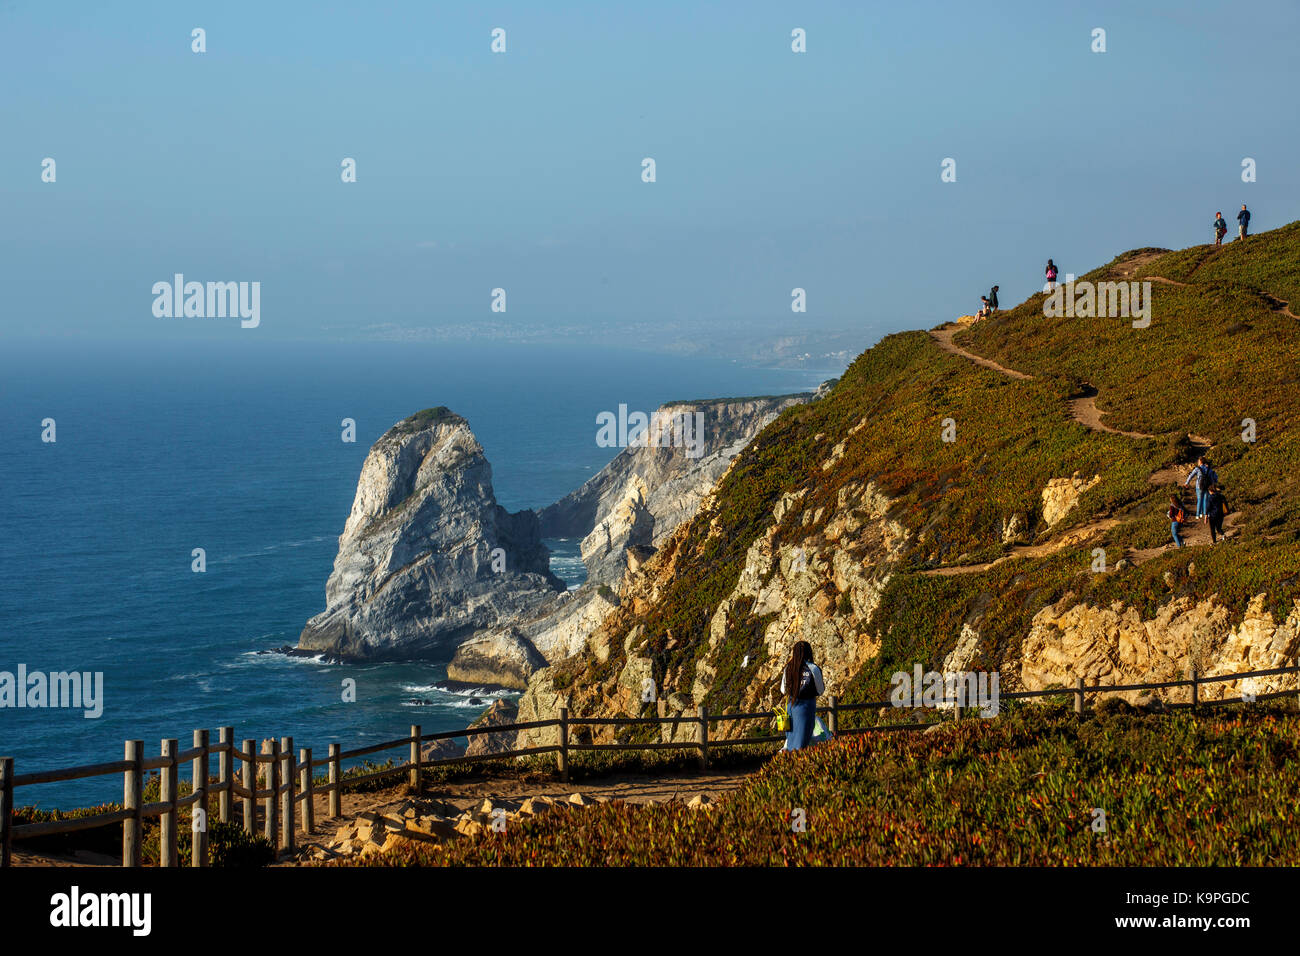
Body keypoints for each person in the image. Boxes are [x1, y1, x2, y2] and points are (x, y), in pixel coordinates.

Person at [779, 640, 824, 751]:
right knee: (802, 741)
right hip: (806, 706)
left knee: (791, 739)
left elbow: (783, 690)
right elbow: (820, 690)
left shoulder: (788, 668)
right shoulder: (813, 668)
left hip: (791, 705)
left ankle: (788, 762)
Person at [1184, 456, 1217, 521]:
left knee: (1199, 500)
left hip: (1199, 486)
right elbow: (1211, 478)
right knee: (1205, 500)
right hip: (1207, 486)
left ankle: (1198, 515)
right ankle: (1205, 514)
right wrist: (1213, 486)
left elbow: (1191, 476)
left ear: (1200, 461)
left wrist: (1187, 483)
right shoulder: (1208, 469)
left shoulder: (1197, 469)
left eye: (1198, 461)